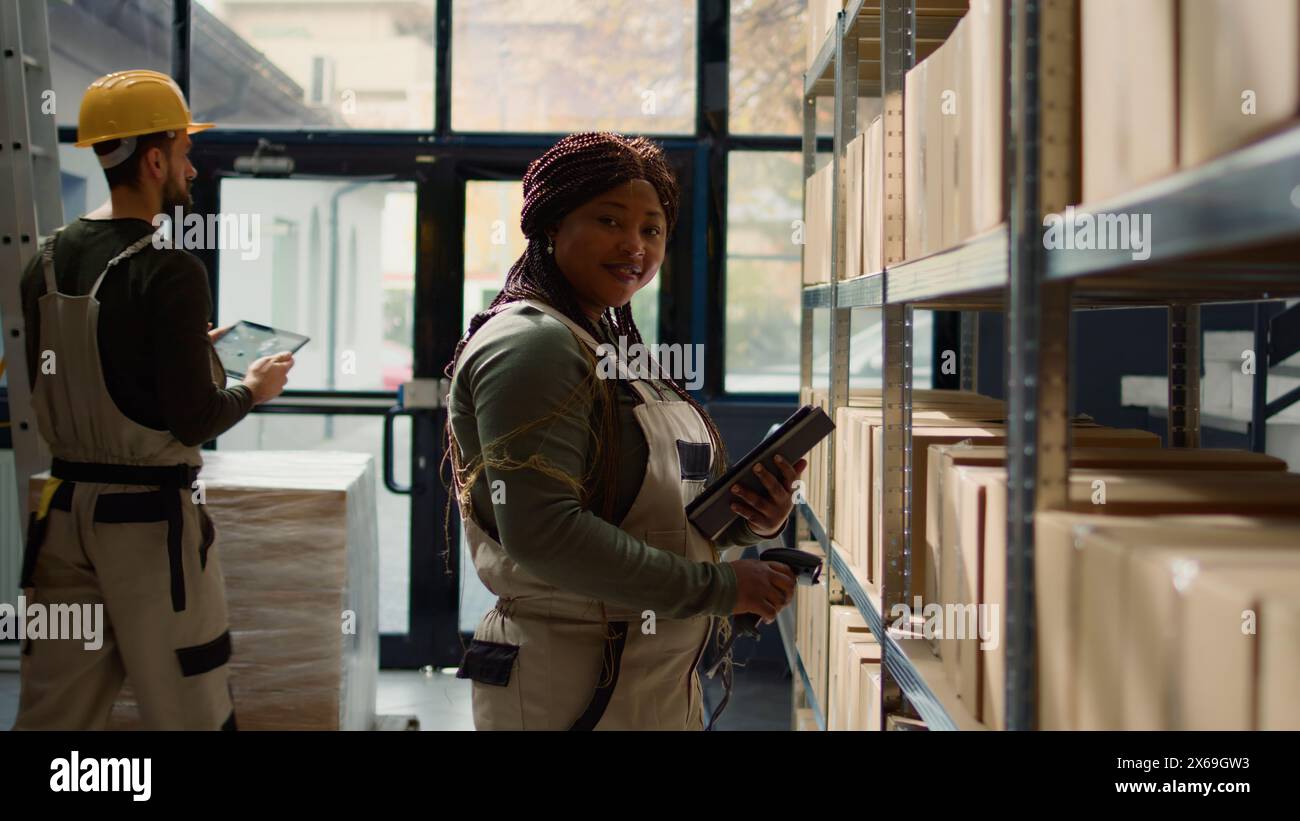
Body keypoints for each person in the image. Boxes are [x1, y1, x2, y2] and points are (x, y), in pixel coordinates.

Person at [447, 131, 803, 730]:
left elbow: (646, 513)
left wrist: (748, 518)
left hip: (648, 680)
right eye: (609, 220)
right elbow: (545, 533)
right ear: (553, 225)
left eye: (652, 228)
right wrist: (717, 587)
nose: (633, 245)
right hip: (569, 688)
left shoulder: (609, 347)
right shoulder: (533, 344)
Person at [12, 70, 294, 730]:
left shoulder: (45, 261)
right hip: (147, 528)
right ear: (155, 158)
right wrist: (254, 386)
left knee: (57, 709)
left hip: (61, 516)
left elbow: (65, 374)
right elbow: (194, 416)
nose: (192, 168)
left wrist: (180, 347)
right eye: (185, 152)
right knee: (187, 701)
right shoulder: (169, 266)